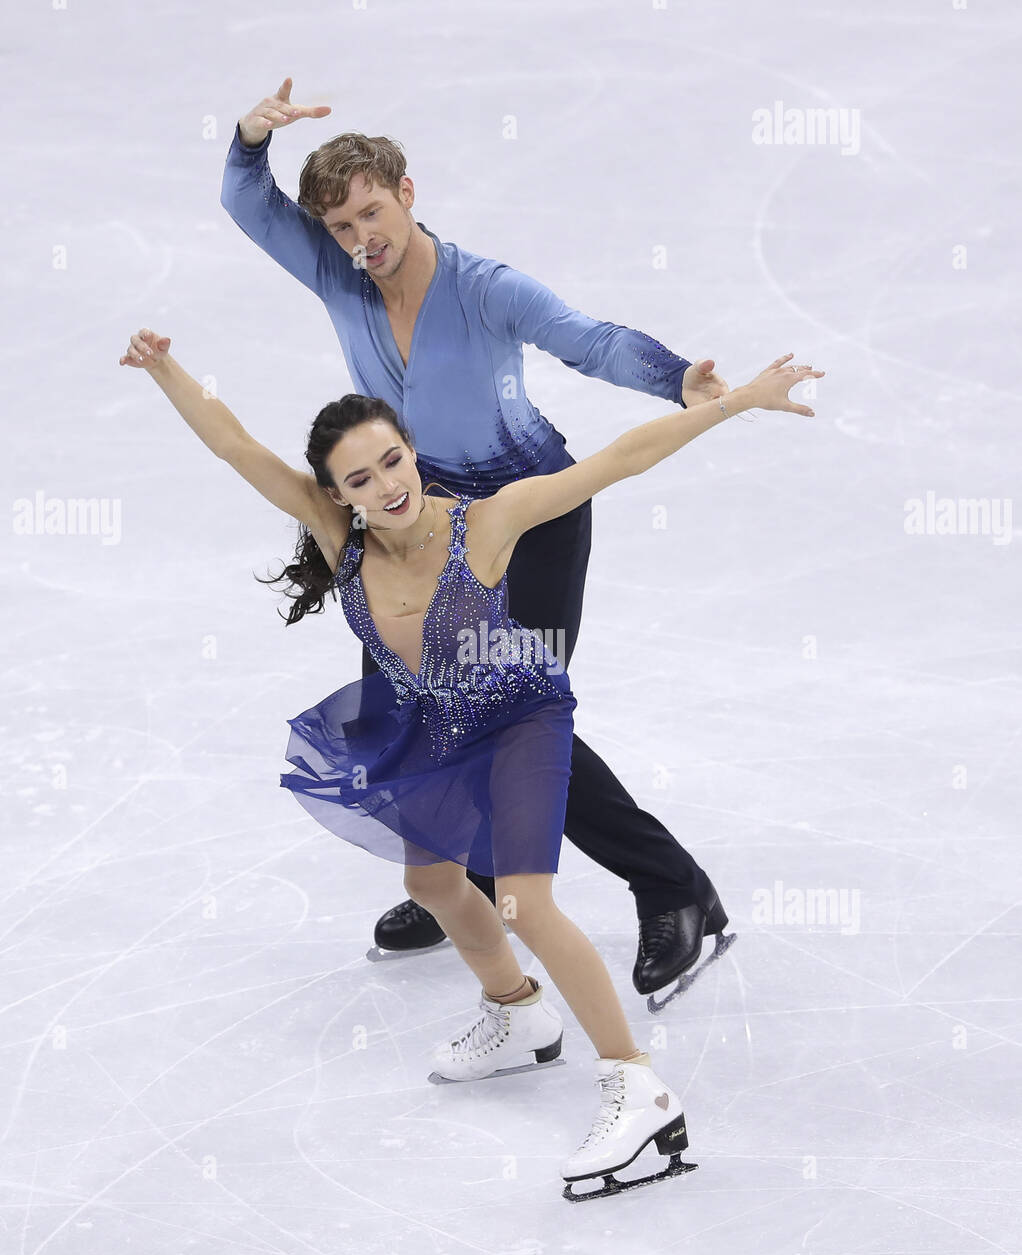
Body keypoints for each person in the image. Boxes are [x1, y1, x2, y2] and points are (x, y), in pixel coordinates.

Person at [118, 325, 823, 1195]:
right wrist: (165, 369)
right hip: (435, 728)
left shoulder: (484, 523)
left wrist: (739, 402)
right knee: (435, 884)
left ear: (413, 453)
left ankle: (638, 1088)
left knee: (525, 900)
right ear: (340, 495)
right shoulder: (342, 543)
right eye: (360, 479)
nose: (386, 485)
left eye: (391, 461)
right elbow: (234, 446)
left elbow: (613, 462)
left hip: (519, 720)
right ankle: (520, 1016)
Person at [219, 76, 733, 998]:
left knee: (515, 716)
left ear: (407, 195)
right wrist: (251, 138)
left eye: (372, 213)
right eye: (341, 227)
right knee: (408, 707)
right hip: (420, 524)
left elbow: (589, 341)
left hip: (527, 518)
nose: (361, 239)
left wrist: (674, 379)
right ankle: (464, 876)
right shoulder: (342, 277)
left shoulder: (484, 288)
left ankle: (675, 887)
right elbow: (244, 205)